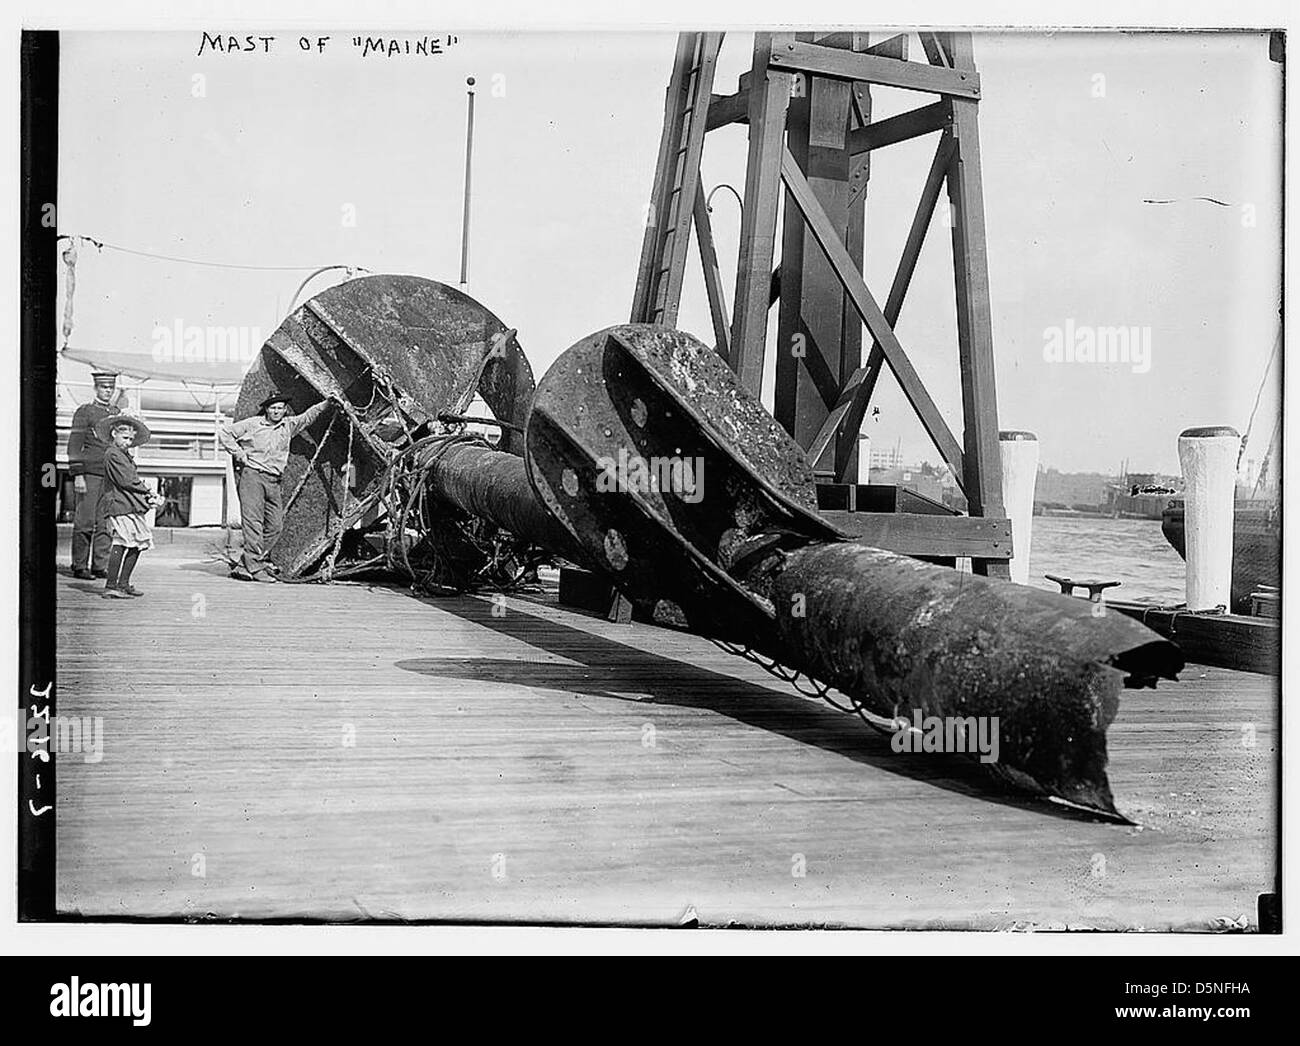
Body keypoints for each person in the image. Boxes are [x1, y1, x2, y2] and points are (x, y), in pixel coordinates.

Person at [218, 391, 337, 582]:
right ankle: (256, 568)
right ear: (266, 409)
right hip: (253, 477)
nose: (277, 411)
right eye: (273, 407)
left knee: (275, 526)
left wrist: (327, 404)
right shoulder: (253, 424)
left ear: (284, 410)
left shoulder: (288, 425)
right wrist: (239, 454)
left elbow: (308, 417)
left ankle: (244, 564)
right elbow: (225, 433)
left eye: (280, 408)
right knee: (253, 523)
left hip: (274, 480)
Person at [97, 414, 165, 599]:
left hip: (128, 504)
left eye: (131, 439)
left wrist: (144, 493)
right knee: (122, 541)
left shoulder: (122, 454)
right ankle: (111, 585)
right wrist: (148, 492)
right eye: (125, 438)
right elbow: (127, 480)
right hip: (119, 504)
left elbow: (129, 479)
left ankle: (123, 583)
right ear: (114, 434)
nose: (128, 442)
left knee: (138, 543)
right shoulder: (112, 454)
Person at [66, 371, 121, 579]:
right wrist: (78, 474)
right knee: (85, 521)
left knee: (106, 522)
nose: (108, 391)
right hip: (89, 474)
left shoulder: (116, 413)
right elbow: (74, 444)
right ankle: (79, 565)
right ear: (96, 388)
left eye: (111, 388)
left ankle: (100, 565)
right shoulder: (85, 411)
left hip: (110, 475)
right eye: (104, 387)